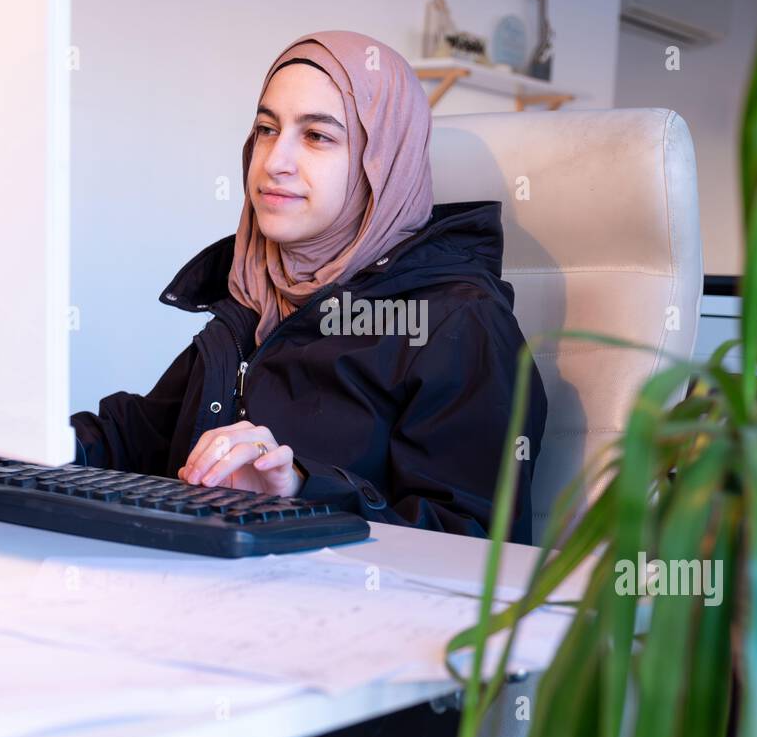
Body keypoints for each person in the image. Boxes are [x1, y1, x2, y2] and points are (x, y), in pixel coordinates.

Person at [71, 30, 547, 544]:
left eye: (318, 136)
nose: (274, 161)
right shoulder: (254, 295)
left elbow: (473, 544)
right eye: (267, 129)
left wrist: (300, 489)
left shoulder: (459, 322)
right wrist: (24, 432)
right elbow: (139, 439)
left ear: (381, 165)